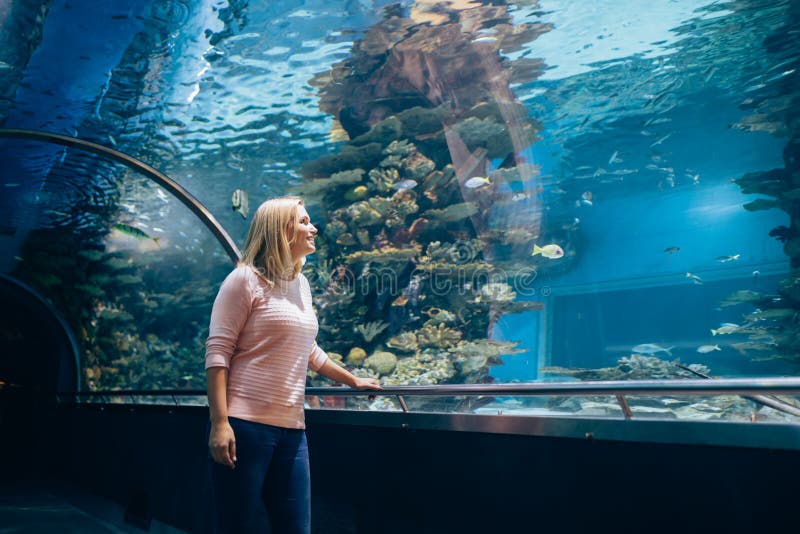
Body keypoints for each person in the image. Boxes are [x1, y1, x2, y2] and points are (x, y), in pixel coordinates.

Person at [205, 196, 380, 534]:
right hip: (244, 427)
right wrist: (220, 423)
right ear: (277, 229)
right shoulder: (243, 280)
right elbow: (217, 353)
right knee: (234, 527)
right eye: (302, 221)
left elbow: (308, 350)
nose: (312, 228)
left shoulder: (301, 285)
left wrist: (351, 381)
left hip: (292, 430)